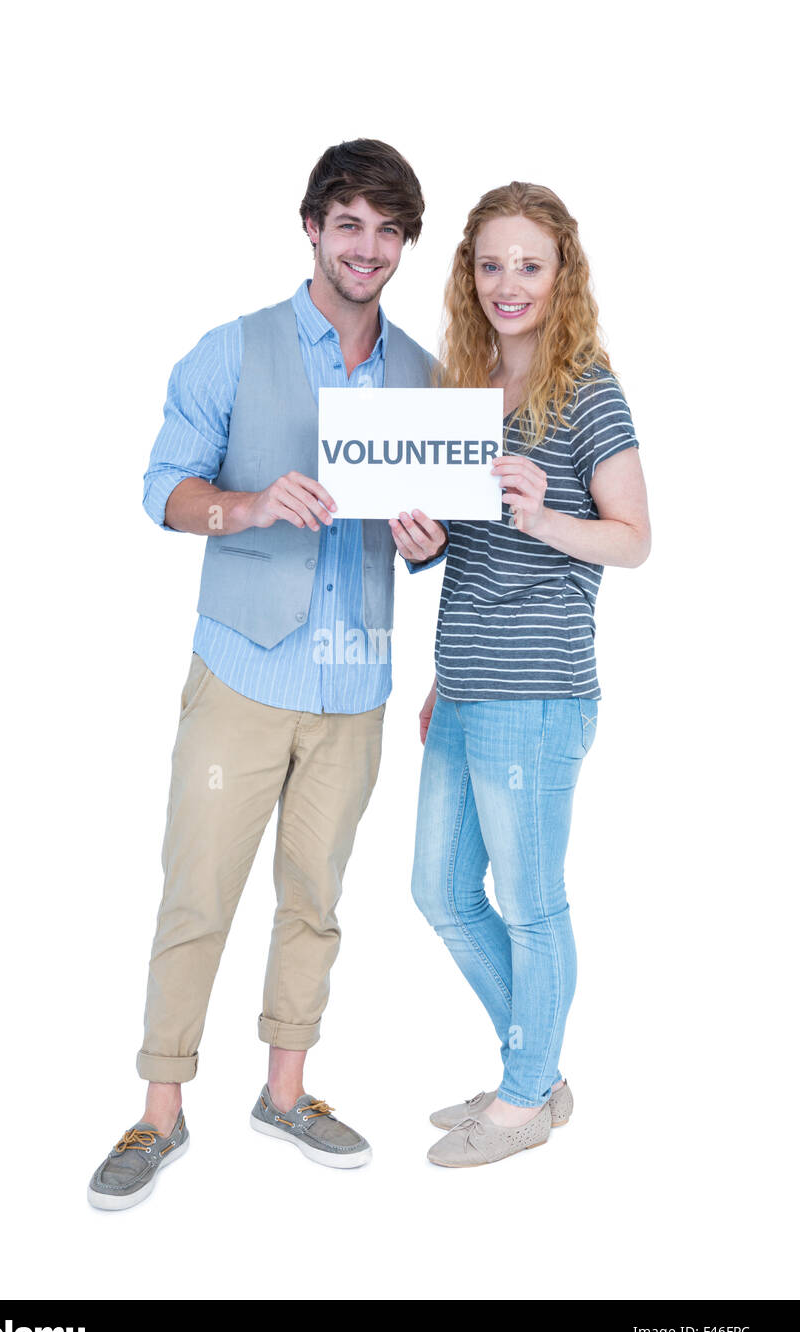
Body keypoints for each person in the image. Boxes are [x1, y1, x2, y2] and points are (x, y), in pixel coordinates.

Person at [88, 139, 448, 1209]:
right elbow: (162, 487)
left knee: (316, 897)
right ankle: (159, 1114)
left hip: (353, 689)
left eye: (387, 231)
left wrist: (425, 540)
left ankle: (285, 1092)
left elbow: (428, 545)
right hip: (242, 674)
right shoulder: (229, 351)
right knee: (196, 893)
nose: (366, 248)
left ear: (402, 245)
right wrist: (243, 506)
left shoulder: (424, 377)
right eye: (348, 224)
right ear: (311, 228)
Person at [411, 181, 651, 1168]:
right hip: (462, 686)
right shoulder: (461, 391)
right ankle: (535, 1069)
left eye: (529, 264)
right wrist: (420, 541)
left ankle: (524, 1093)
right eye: (489, 263)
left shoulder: (585, 386)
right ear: (468, 275)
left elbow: (633, 539)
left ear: (561, 277)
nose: (507, 283)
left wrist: (544, 512)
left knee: (527, 900)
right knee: (437, 887)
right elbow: (457, 550)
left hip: (537, 691)